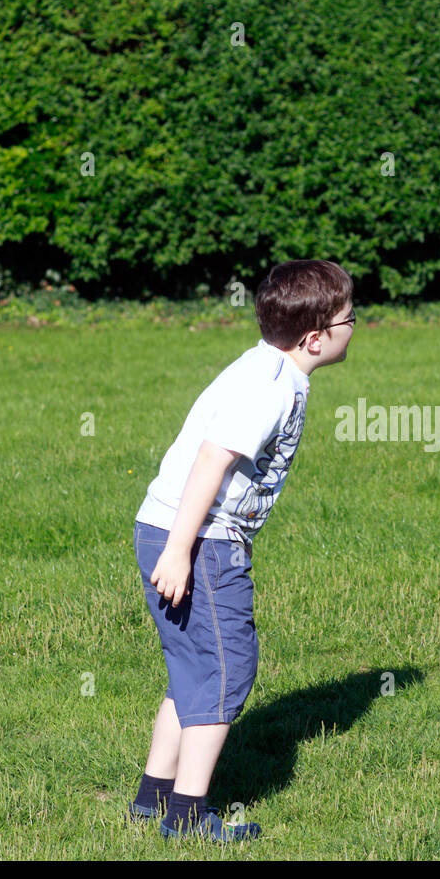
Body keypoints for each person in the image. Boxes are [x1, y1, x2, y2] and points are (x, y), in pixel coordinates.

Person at [128, 259, 354, 842]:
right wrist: (181, 551)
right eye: (350, 319)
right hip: (200, 540)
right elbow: (212, 460)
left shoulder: (266, 367)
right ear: (316, 338)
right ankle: (187, 815)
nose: (356, 327)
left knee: (193, 671)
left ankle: (151, 798)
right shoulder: (271, 388)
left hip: (168, 528)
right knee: (228, 672)